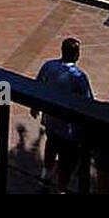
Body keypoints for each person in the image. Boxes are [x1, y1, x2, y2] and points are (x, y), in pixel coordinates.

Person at [32, 37, 94, 193]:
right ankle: (61, 189)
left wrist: (35, 106)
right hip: (68, 128)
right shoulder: (78, 77)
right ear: (76, 54)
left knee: (51, 145)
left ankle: (45, 176)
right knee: (67, 160)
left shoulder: (49, 66)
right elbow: (88, 101)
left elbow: (38, 85)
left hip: (50, 119)